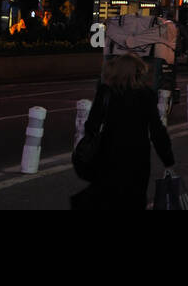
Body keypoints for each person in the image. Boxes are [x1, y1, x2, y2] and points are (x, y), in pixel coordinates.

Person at [73, 54, 175, 210]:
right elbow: (157, 130)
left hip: (109, 153)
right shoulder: (146, 94)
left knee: (108, 198)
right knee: (135, 198)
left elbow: (92, 125)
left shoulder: (106, 92)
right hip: (137, 156)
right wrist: (167, 158)